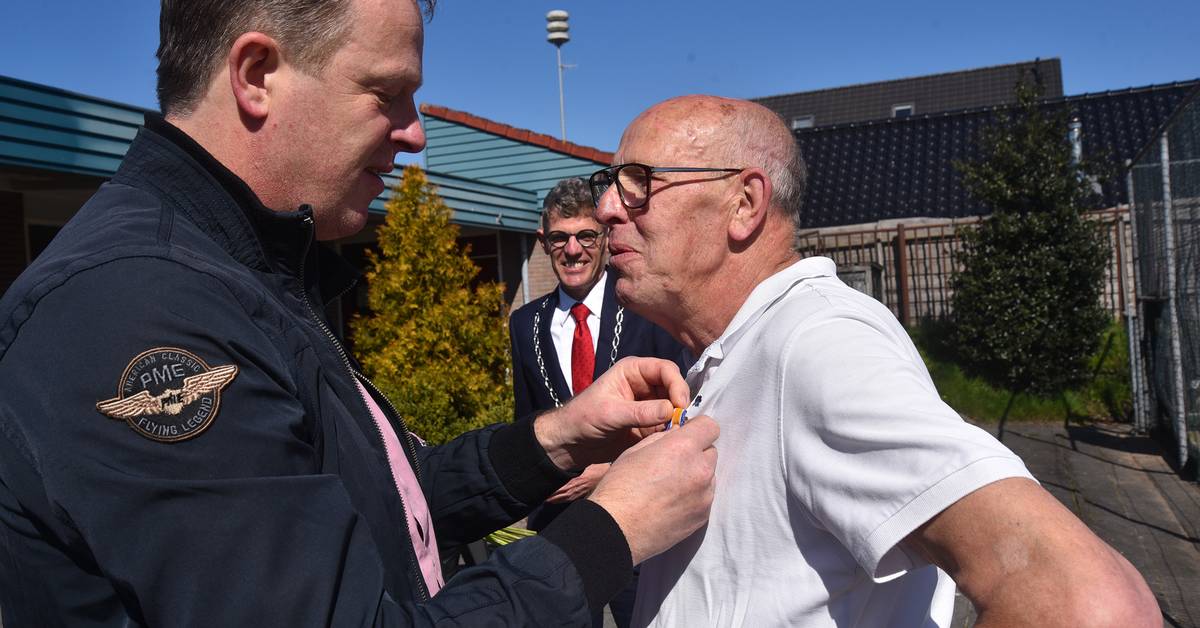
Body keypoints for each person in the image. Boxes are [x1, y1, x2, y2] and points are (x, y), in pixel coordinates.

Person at [0, 2, 719, 626]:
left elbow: (379, 510)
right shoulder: (138, 307)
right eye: (387, 93)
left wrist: (557, 440)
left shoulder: (245, 269)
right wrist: (609, 533)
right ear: (256, 75)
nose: (415, 134)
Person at [590, 95, 1160, 627]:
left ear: (745, 203)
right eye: (609, 184)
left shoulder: (817, 343)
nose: (606, 208)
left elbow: (1090, 602)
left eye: (639, 182)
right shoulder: (741, 346)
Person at [509, 177, 687, 627]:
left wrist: (605, 473)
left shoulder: (647, 310)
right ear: (543, 241)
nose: (573, 250)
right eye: (559, 238)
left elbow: (680, 414)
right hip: (560, 531)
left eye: (585, 235)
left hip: (638, 521)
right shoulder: (524, 324)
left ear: (604, 238)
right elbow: (527, 421)